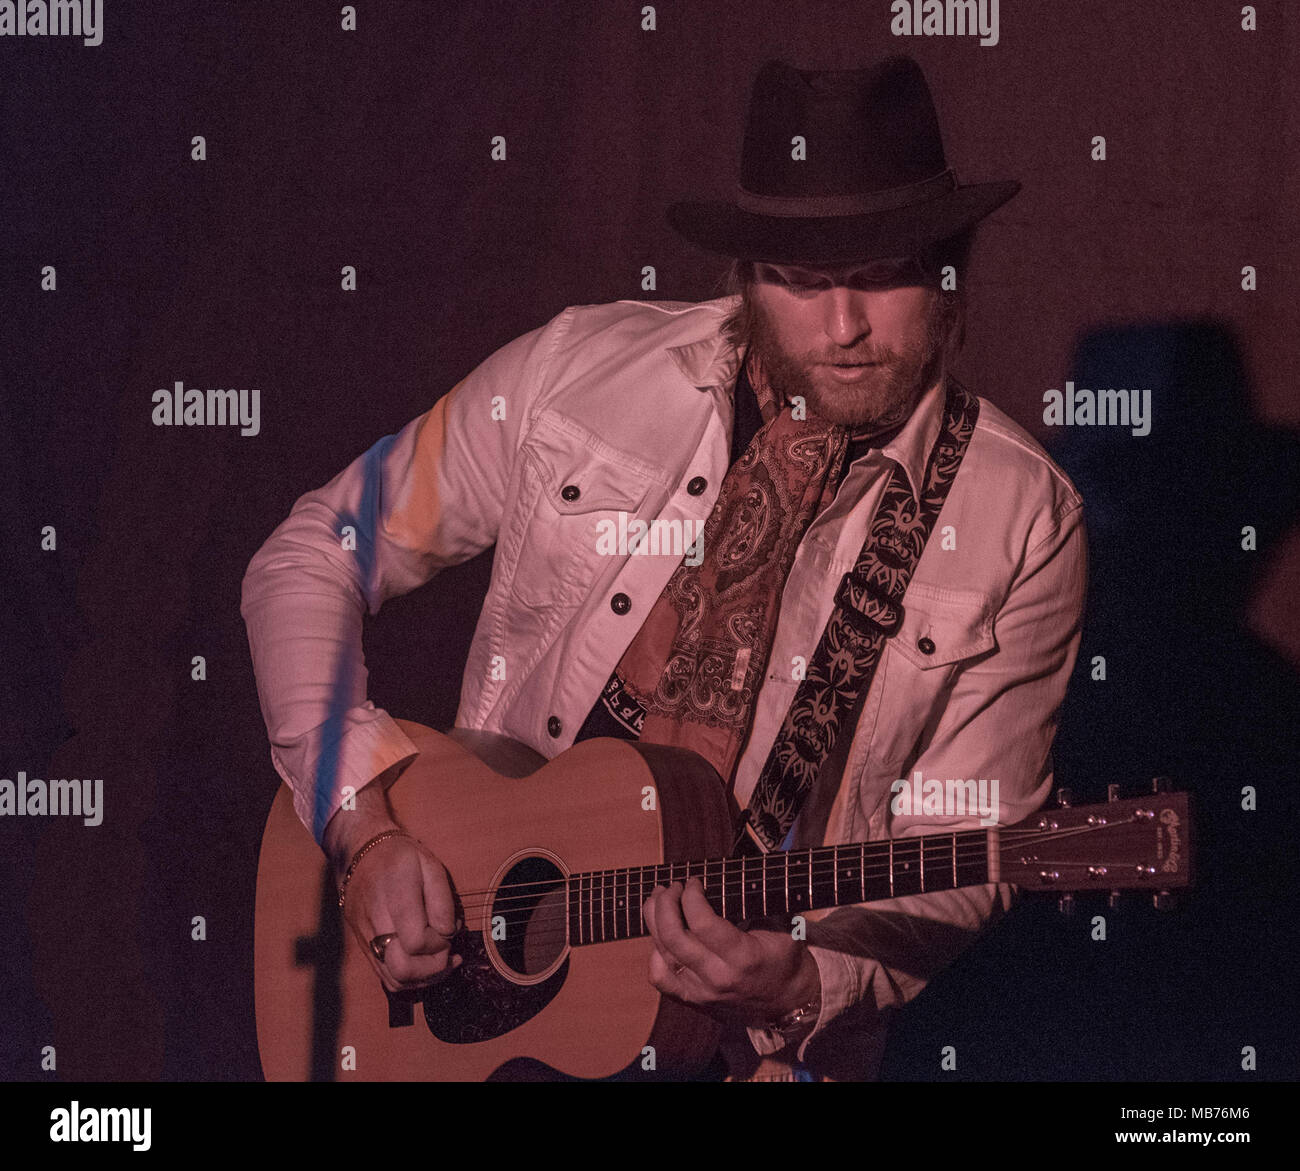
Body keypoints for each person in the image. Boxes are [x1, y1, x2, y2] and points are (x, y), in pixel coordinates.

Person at [241, 55, 1087, 1081]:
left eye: (882, 274)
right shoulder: (571, 375)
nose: (845, 328)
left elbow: (968, 849)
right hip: (481, 1016)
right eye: (803, 282)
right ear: (744, 273)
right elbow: (311, 552)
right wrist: (361, 827)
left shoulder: (1018, 519)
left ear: (947, 269)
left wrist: (800, 984)